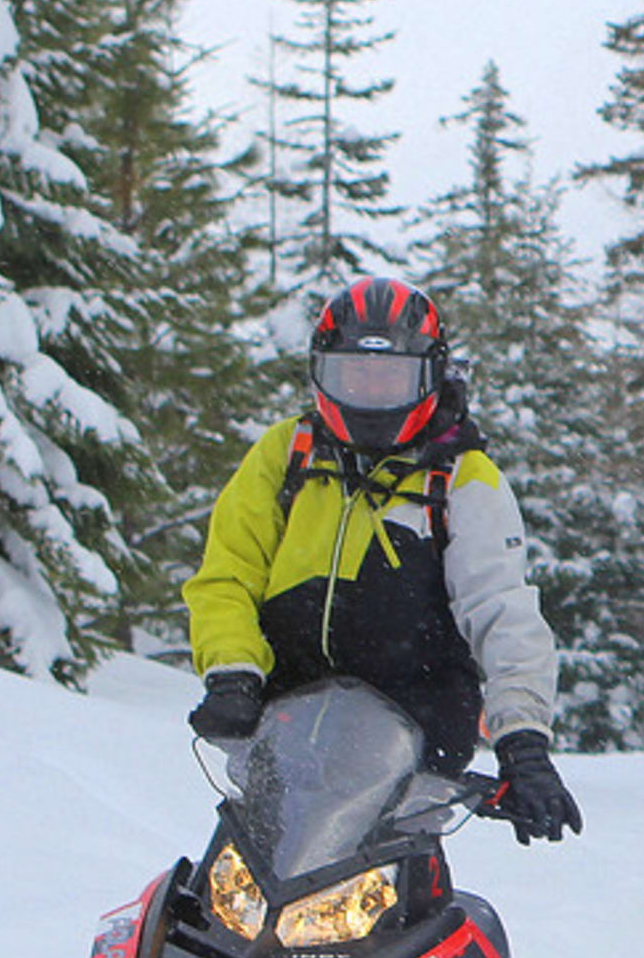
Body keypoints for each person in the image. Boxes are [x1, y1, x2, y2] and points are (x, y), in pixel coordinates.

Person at [182, 277, 581, 846]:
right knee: (227, 900)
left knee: (397, 913)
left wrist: (523, 743)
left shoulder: (462, 481)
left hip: (412, 763)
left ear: (430, 376)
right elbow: (227, 575)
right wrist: (234, 674)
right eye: (354, 375)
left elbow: (503, 614)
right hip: (281, 741)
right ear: (322, 372)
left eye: (391, 378)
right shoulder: (286, 455)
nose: (371, 395)